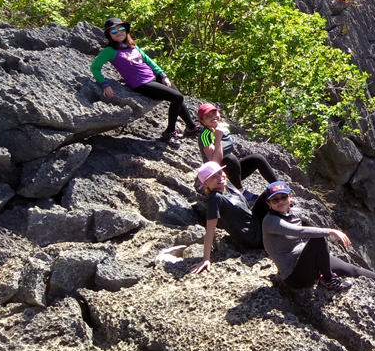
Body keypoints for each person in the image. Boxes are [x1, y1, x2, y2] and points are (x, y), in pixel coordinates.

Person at [261, 181, 375, 291]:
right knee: (318, 238)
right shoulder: (271, 222)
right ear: (269, 203)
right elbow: (297, 232)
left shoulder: (291, 212)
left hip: (305, 261)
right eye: (275, 199)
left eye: (283, 197)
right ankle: (328, 279)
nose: (280, 201)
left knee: (351, 269)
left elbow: (305, 222)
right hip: (295, 276)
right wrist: (330, 231)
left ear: (289, 197)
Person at [90, 17, 198, 147]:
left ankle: (191, 126)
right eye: (114, 31)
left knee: (177, 96)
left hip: (154, 77)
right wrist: (104, 85)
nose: (119, 32)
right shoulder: (109, 51)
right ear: (109, 35)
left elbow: (148, 60)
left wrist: (162, 74)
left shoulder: (132, 46)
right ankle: (169, 131)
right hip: (141, 84)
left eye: (121, 29)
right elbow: (95, 67)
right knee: (177, 98)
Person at [189, 161, 269, 274]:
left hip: (254, 220)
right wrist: (206, 259)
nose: (219, 177)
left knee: (271, 191)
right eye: (213, 177)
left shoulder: (226, 185)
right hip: (254, 237)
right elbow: (210, 228)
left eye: (220, 173)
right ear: (206, 184)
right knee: (270, 194)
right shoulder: (215, 198)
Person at [196, 102, 275, 194]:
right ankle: (240, 192)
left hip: (232, 171)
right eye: (207, 116)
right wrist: (218, 139)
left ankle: (279, 188)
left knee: (258, 158)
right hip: (217, 176)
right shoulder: (205, 135)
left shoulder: (223, 127)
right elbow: (215, 164)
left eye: (214, 113)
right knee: (229, 158)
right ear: (202, 121)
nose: (213, 117)